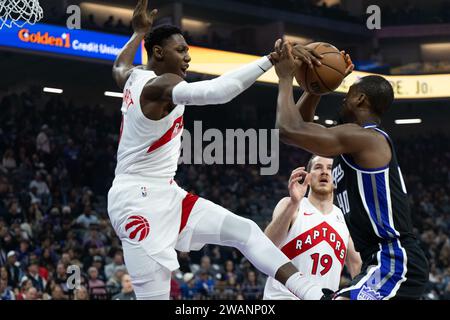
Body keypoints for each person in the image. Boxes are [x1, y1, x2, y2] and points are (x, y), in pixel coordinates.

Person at [108, 0, 331, 300]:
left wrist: (137, 33)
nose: (187, 57)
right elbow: (217, 92)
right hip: (136, 202)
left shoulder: (134, 76)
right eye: (181, 50)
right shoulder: (158, 87)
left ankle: (315, 294)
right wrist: (269, 59)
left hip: (167, 194)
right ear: (158, 54)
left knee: (246, 231)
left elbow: (118, 66)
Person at [273, 41, 429, 300]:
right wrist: (316, 88)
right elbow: (301, 126)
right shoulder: (353, 139)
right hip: (378, 261)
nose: (343, 98)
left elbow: (288, 129)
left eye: (348, 94)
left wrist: (286, 76)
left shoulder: (366, 138)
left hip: (393, 258)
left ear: (360, 98)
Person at [263, 156, 361, 299]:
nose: (324, 172)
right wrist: (293, 203)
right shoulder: (291, 205)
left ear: (337, 179)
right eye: (318, 167)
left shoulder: (345, 220)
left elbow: (357, 266)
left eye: (330, 168)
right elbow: (267, 245)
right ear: (308, 177)